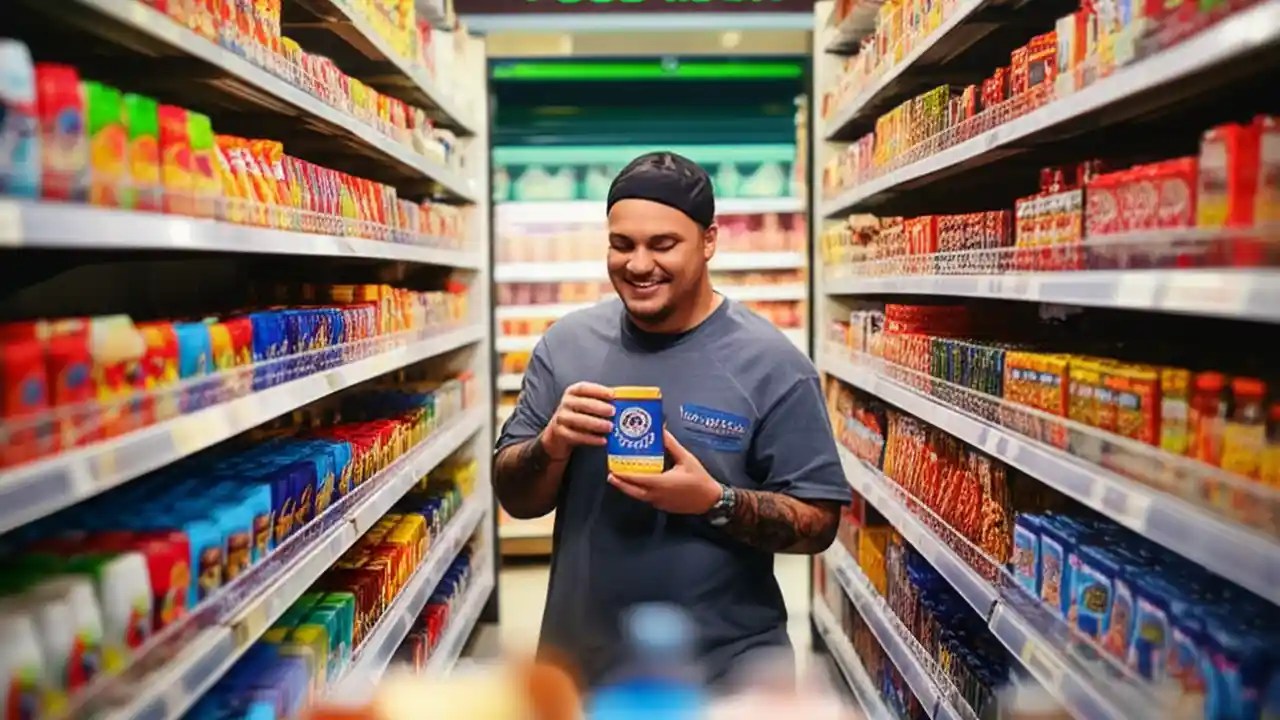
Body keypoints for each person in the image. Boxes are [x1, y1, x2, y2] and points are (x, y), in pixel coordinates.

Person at [493, 151, 852, 691]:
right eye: (622, 245)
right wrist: (551, 444)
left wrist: (716, 501)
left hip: (725, 677)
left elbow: (819, 523)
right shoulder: (564, 347)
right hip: (581, 670)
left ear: (709, 241)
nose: (639, 265)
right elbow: (516, 499)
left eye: (663, 245)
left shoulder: (775, 366)